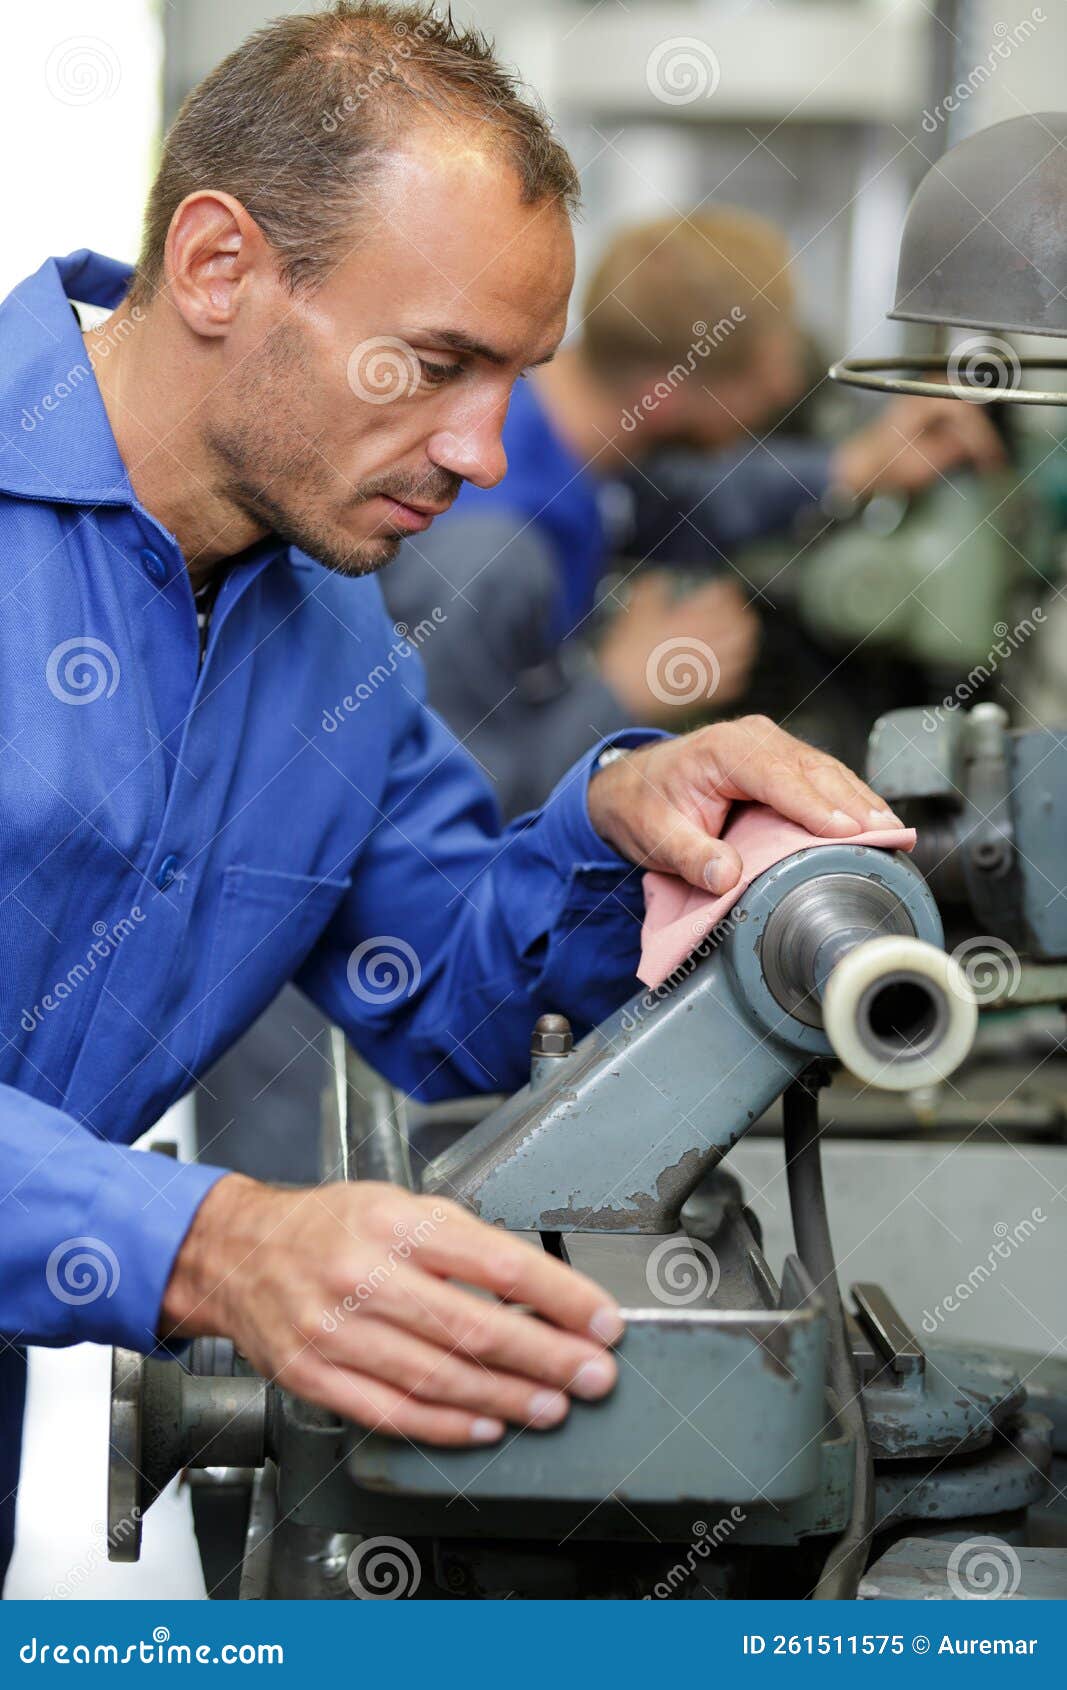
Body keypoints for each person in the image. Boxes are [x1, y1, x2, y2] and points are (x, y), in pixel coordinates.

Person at [0, 1, 908, 1587]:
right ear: (218, 268)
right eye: (435, 366)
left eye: (516, 378)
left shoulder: (328, 627)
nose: (489, 451)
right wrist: (211, 1242)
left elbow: (454, 997)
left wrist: (632, 825)